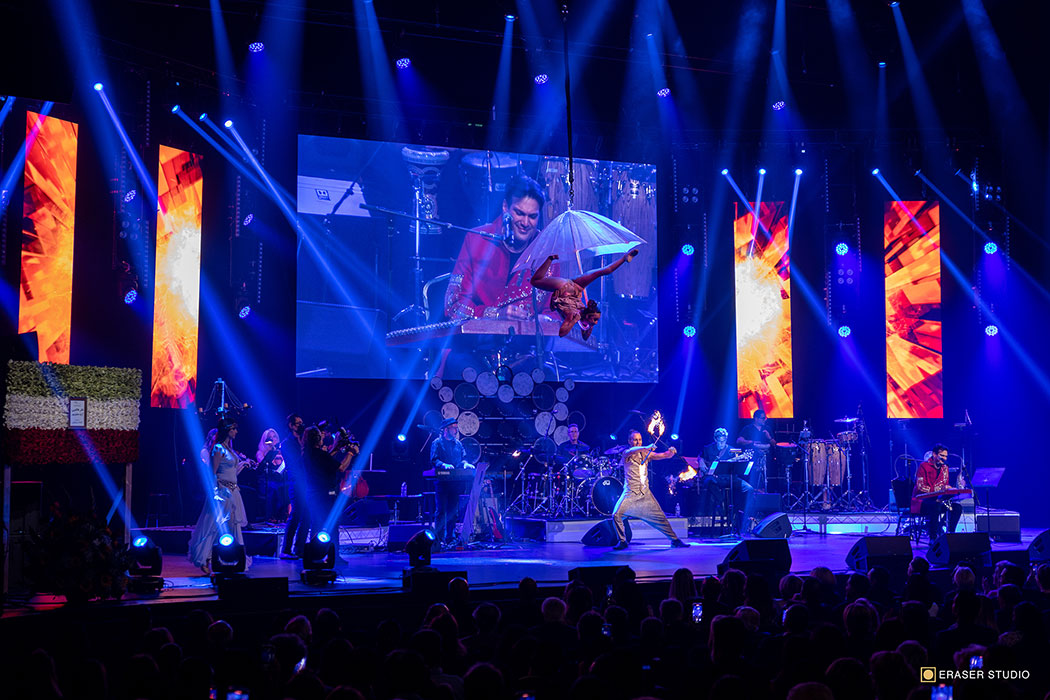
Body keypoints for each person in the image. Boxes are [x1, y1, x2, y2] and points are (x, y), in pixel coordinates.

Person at [445, 175, 554, 321]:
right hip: (479, 334)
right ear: (505, 207)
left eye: (532, 216)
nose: (525, 223)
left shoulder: (546, 251)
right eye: (519, 213)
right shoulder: (476, 239)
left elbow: (556, 310)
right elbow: (453, 304)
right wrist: (495, 315)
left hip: (528, 335)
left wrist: (545, 319)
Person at [188, 417, 253, 575]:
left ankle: (234, 558)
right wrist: (216, 493)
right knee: (214, 525)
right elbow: (212, 473)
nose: (236, 431)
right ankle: (206, 559)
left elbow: (232, 473)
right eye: (234, 429)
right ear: (227, 430)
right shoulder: (218, 448)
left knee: (232, 526)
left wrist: (243, 465)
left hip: (233, 491)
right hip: (222, 492)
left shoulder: (229, 449)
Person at [529, 249, 638, 339]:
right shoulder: (574, 315)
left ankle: (624, 258)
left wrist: (579, 322)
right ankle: (550, 258)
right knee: (535, 281)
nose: (596, 323)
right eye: (595, 320)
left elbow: (566, 333)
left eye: (595, 320)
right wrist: (576, 322)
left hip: (575, 286)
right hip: (566, 288)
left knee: (602, 271)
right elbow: (573, 334)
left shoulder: (575, 315)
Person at [610, 430, 689, 550]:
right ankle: (622, 541)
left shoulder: (646, 454)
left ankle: (675, 540)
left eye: (640, 440)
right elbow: (632, 450)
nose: (638, 442)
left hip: (645, 494)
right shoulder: (626, 453)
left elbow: (664, 455)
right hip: (631, 493)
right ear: (629, 441)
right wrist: (646, 447)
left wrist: (671, 452)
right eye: (635, 440)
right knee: (616, 515)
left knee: (661, 518)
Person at [300, 425, 356, 548]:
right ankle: (334, 553)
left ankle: (315, 552)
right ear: (317, 439)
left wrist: (336, 448)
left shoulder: (307, 454)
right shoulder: (320, 454)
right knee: (332, 524)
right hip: (326, 494)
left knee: (316, 524)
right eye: (321, 436)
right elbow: (341, 467)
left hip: (313, 494)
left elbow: (326, 460)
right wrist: (351, 453)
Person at [428, 417, 476, 545]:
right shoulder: (437, 443)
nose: (456, 430)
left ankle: (450, 538)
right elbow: (434, 459)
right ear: (446, 429)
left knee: (453, 512)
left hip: (456, 482)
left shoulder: (458, 444)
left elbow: (463, 459)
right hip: (442, 483)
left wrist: (465, 464)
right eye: (453, 428)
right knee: (441, 511)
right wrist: (444, 465)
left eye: (456, 428)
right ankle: (438, 540)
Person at [700, 427, 753, 531]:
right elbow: (700, 457)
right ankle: (723, 504)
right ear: (715, 439)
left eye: (723, 440)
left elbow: (737, 464)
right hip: (714, 478)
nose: (721, 443)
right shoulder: (708, 448)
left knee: (749, 488)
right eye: (719, 440)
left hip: (729, 478)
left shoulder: (732, 450)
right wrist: (701, 463)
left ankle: (739, 511)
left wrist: (739, 459)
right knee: (709, 482)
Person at [911, 443, 963, 539]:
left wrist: (949, 489)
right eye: (942, 455)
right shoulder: (923, 466)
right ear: (934, 454)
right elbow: (920, 487)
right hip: (921, 502)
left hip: (938, 501)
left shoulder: (945, 468)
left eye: (946, 456)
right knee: (936, 506)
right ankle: (933, 537)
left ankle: (950, 535)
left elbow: (944, 486)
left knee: (957, 507)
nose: (944, 458)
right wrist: (939, 489)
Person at [279, 413, 306, 559]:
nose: (301, 425)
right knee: (296, 514)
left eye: (302, 422)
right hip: (296, 481)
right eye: (298, 423)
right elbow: (296, 461)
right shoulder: (287, 443)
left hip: (306, 481)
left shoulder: (302, 440)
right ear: (291, 425)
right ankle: (286, 550)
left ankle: (299, 549)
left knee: (307, 515)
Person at [736, 409, 773, 488]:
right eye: (763, 418)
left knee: (765, 478)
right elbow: (739, 440)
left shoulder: (767, 428)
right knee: (750, 479)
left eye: (765, 418)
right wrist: (751, 442)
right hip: (751, 458)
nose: (765, 420)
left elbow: (774, 443)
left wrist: (769, 437)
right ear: (756, 418)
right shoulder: (748, 428)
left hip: (765, 458)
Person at [255, 427, 285, 523]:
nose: (273, 439)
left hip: (280, 479)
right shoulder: (261, 452)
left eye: (274, 437)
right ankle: (270, 517)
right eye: (270, 437)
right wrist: (270, 451)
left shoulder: (281, 451)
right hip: (266, 480)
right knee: (272, 489)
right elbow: (262, 464)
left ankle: (283, 516)